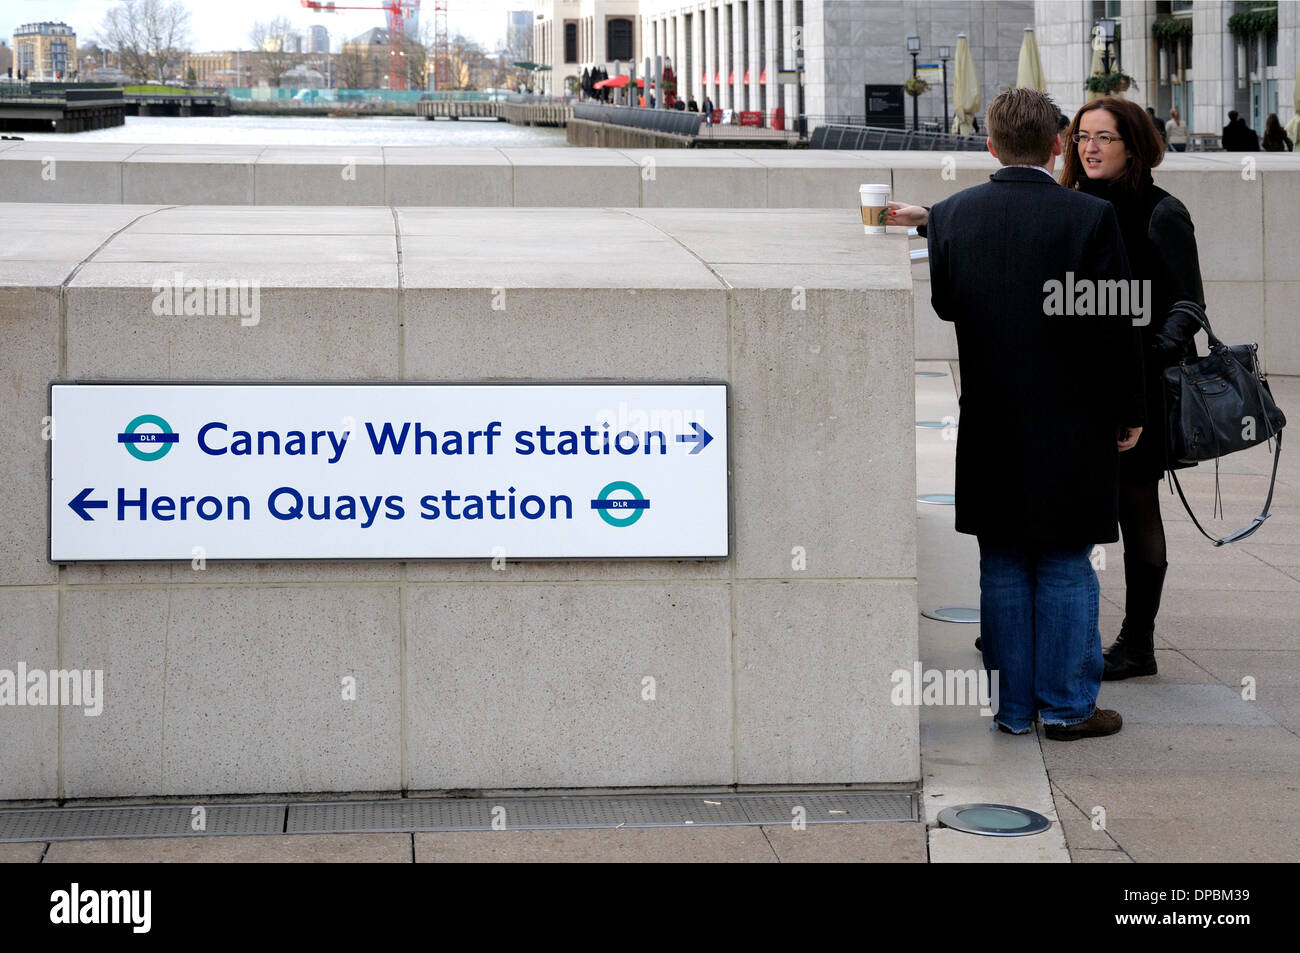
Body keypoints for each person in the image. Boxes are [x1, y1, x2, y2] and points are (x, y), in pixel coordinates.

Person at [900, 88, 1145, 739]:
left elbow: (948, 306)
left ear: (989, 145)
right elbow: (1114, 326)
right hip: (1073, 421)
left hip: (990, 420)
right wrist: (1129, 408)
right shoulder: (1090, 218)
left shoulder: (951, 216)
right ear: (1058, 144)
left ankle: (1012, 710)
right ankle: (1066, 707)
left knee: (1002, 562)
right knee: (1065, 561)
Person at [1059, 96, 1207, 681]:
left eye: (1104, 137)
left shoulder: (1161, 211)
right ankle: (1055, 627)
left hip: (1137, 387)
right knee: (1071, 506)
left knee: (1136, 504)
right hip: (1073, 383)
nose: (1090, 148)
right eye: (1082, 137)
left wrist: (1143, 356)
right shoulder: (1067, 205)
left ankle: (1137, 644)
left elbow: (1188, 304)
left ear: (1134, 145)